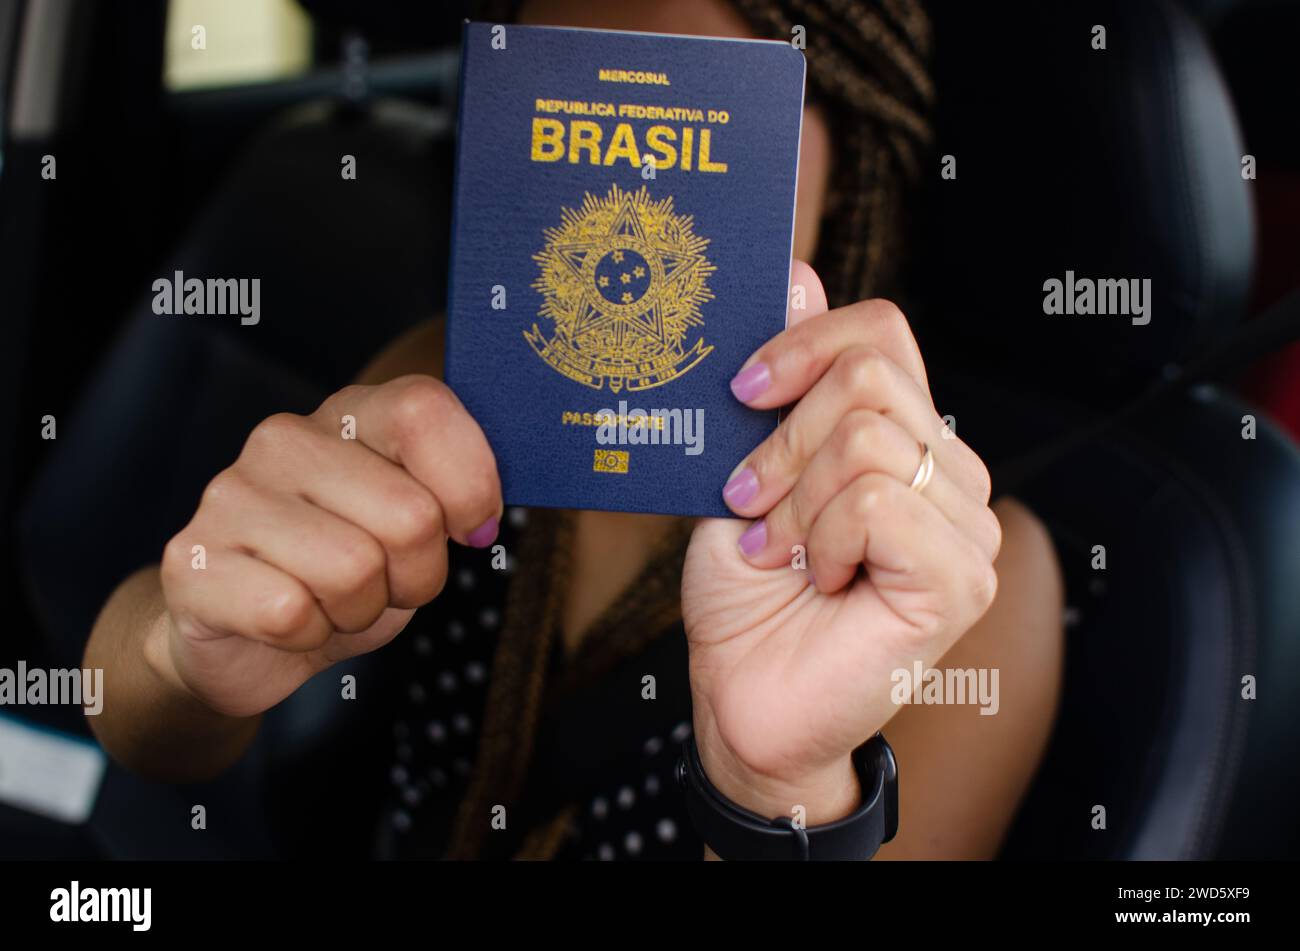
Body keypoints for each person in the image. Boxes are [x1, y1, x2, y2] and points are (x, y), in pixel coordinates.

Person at [84, 0, 1064, 860]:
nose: (628, 175)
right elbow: (139, 728)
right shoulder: (451, 390)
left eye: (691, 114)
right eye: (565, 107)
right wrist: (184, 653)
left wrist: (779, 793)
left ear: (857, 152)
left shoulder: (952, 571)